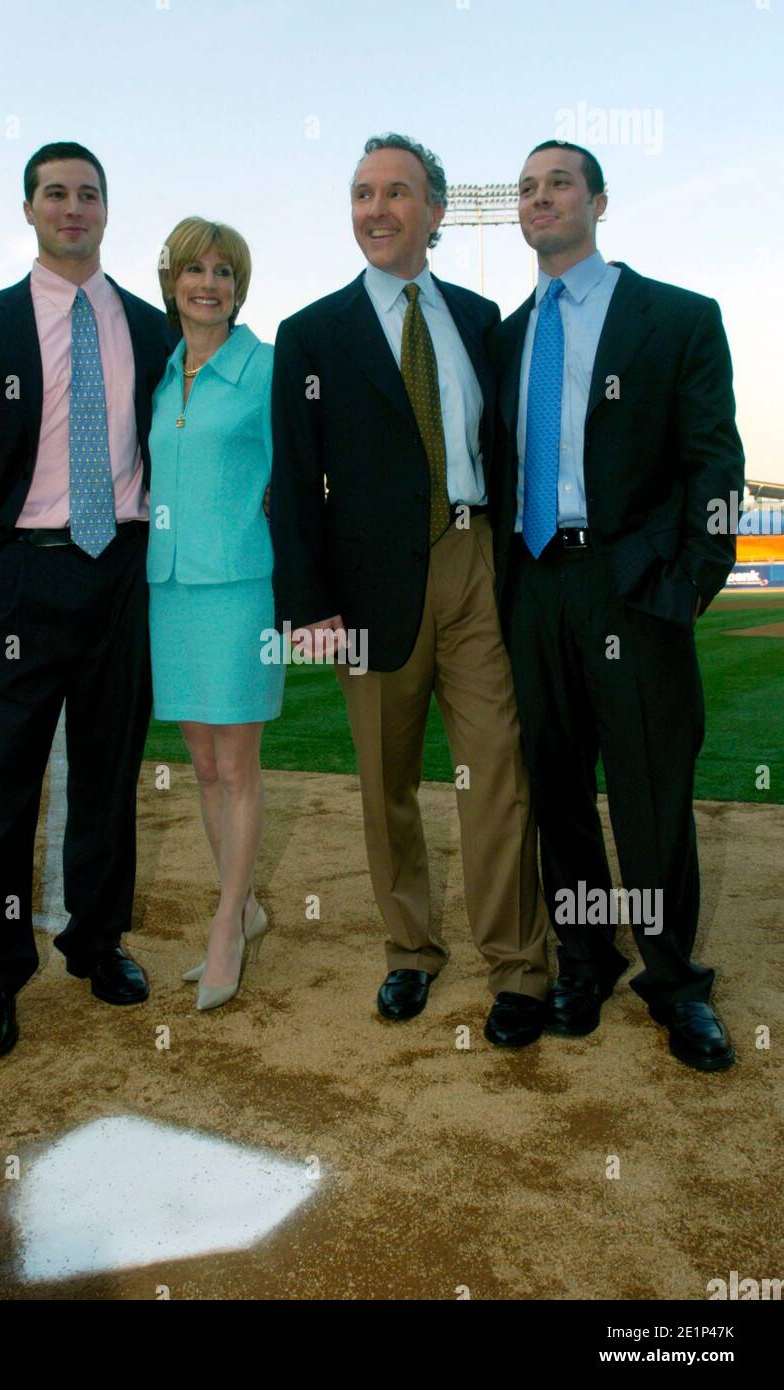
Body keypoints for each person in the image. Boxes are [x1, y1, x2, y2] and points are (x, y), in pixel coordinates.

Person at [270, 134, 550, 1046]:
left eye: (396, 192)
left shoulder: (480, 317)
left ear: (434, 210)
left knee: (497, 771)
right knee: (385, 782)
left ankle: (516, 964)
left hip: (473, 565)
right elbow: (293, 483)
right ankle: (411, 951)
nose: (376, 209)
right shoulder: (311, 334)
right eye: (361, 193)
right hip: (368, 588)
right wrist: (308, 604)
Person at [486, 140, 744, 1071]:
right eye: (526, 187)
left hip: (629, 586)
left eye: (559, 182)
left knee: (649, 795)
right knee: (555, 790)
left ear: (599, 200)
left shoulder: (674, 317)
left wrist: (687, 582)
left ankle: (675, 981)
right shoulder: (508, 335)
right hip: (535, 581)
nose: (540, 197)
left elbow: (715, 464)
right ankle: (584, 959)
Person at [0, 142, 176, 1060]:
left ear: (108, 209)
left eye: (89, 193)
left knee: (108, 779)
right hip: (19, 581)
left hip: (121, 576)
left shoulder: (156, 331)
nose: (74, 207)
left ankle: (95, 942)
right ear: (28, 210)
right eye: (55, 193)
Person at [148, 217, 283, 1012]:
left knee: (237, 767)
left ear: (239, 287)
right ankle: (249, 902)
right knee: (202, 766)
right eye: (195, 269)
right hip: (167, 592)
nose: (209, 283)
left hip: (238, 590)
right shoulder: (162, 379)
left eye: (224, 272)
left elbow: (302, 473)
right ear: (173, 282)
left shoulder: (267, 370)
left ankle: (228, 922)